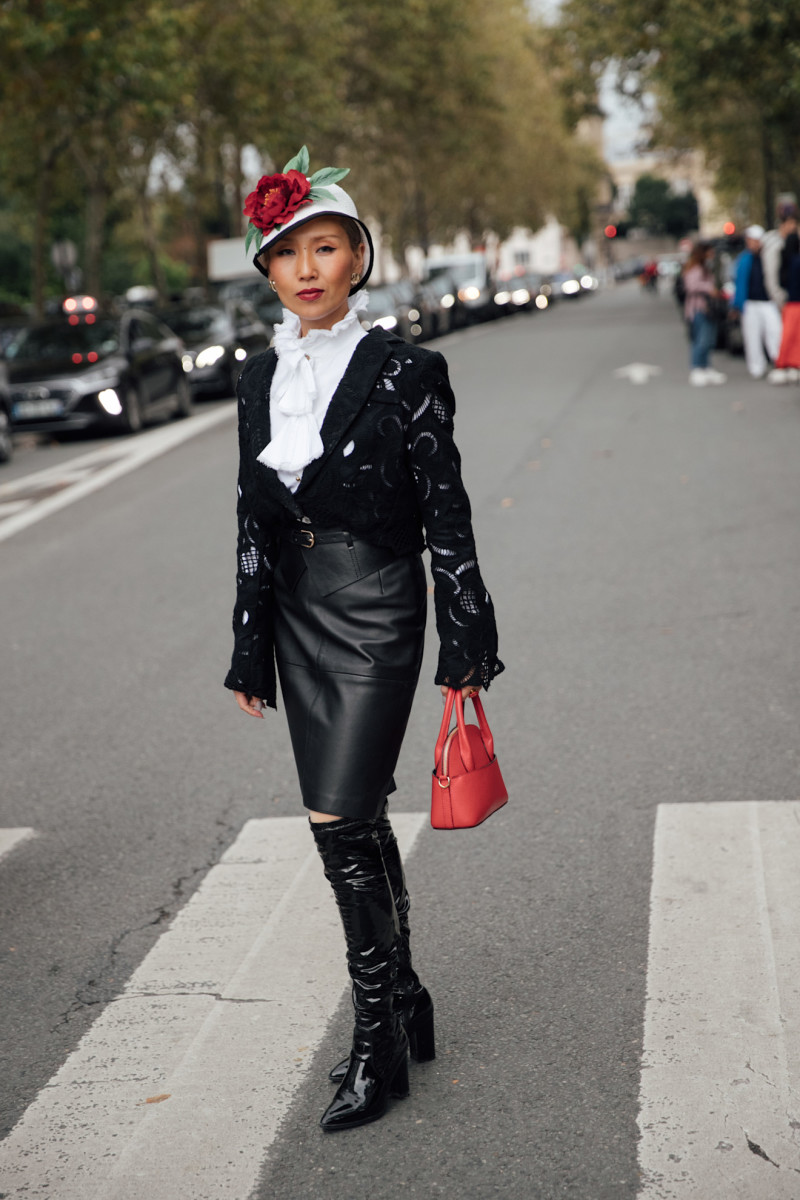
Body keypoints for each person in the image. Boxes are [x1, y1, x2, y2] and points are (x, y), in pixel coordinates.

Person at [224, 148, 503, 1133]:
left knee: (337, 823)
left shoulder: (407, 370)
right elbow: (253, 517)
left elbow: (446, 511)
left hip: (379, 602)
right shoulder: (257, 377)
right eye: (286, 253)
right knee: (354, 819)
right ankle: (407, 1000)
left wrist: (465, 633)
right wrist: (248, 641)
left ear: (357, 259)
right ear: (267, 270)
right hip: (297, 611)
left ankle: (376, 1039)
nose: (306, 269)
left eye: (325, 247)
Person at [732, 225, 783, 379]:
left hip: (768, 301)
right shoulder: (744, 259)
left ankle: (779, 362)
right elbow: (739, 283)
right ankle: (756, 366)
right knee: (752, 336)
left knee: (775, 332)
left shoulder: (769, 256)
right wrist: (736, 304)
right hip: (750, 303)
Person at [763, 202, 799, 383]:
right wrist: (779, 298)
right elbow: (772, 275)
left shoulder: (789, 245)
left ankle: (790, 364)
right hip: (783, 298)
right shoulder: (776, 245)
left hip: (789, 297)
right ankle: (783, 364)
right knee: (783, 334)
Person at [682, 242, 726, 387]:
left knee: (709, 339)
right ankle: (696, 368)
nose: (712, 255)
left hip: (709, 309)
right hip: (699, 309)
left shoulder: (705, 268)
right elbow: (691, 286)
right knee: (701, 340)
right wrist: (709, 288)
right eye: (709, 252)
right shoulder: (695, 268)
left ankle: (706, 367)